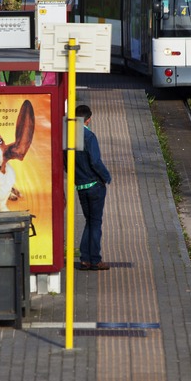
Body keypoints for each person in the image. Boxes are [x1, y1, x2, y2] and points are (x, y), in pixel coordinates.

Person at [73, 103, 112, 271]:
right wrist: (106, 177)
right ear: (88, 120)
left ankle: (85, 259)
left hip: (81, 186)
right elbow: (95, 161)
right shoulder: (89, 137)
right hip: (94, 185)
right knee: (95, 223)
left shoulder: (69, 136)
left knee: (90, 221)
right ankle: (95, 259)